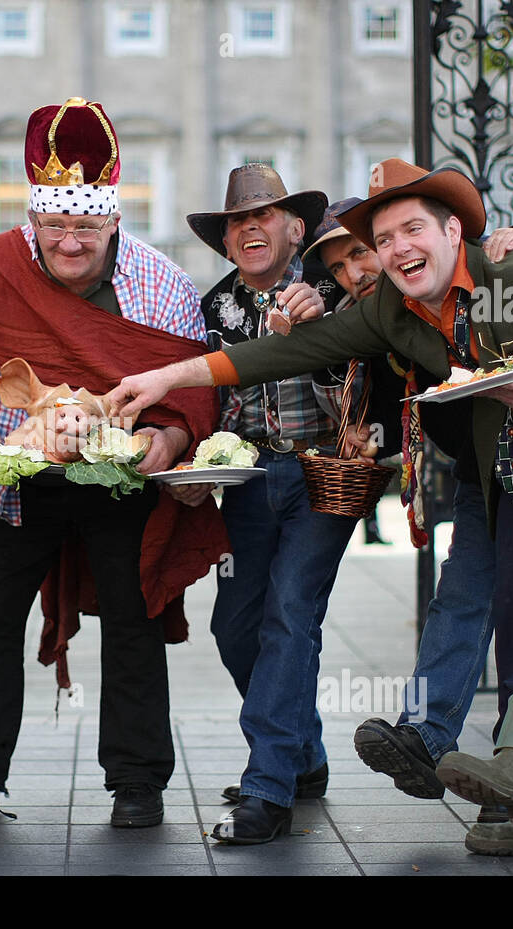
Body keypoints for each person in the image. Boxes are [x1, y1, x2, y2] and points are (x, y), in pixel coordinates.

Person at [109, 159, 513, 857]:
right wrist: (162, 377)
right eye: (384, 238)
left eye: (413, 229)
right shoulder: (390, 307)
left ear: (451, 230)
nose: (397, 248)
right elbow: (281, 355)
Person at [0, 98, 324, 828]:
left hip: (121, 481)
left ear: (114, 218)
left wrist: (161, 448)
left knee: (134, 618)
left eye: (85, 227)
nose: (70, 244)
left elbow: (190, 405)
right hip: (13, 480)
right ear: (33, 220)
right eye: (55, 227)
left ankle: (137, 781)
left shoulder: (164, 284)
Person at [302, 199, 513, 808]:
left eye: (362, 252)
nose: (358, 271)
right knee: (475, 600)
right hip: (486, 470)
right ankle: (438, 741)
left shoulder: (483, 268)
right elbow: (390, 406)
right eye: (340, 266)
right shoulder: (371, 319)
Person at [170, 164, 346, 845]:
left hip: (321, 479)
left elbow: (365, 369)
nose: (249, 227)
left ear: (294, 228)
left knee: (290, 616)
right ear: (226, 240)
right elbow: (211, 403)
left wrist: (321, 319)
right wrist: (196, 460)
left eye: (263, 215)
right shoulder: (214, 308)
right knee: (235, 628)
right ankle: (303, 755)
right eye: (238, 221)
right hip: (247, 482)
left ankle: (268, 785)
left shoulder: (329, 285)